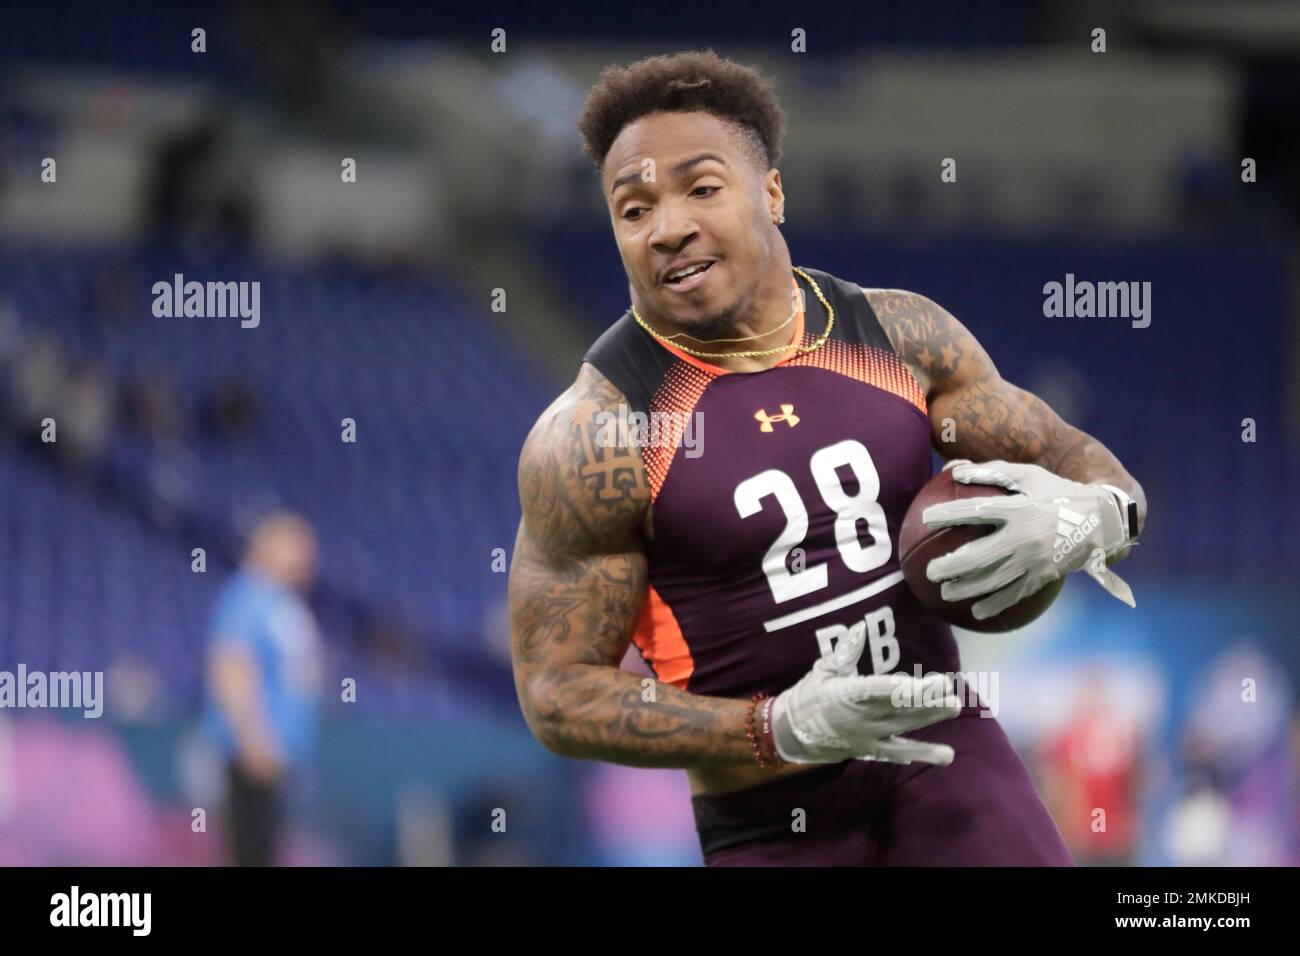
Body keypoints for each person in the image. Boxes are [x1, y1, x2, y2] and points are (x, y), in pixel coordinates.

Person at [508, 50, 1146, 865]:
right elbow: (556, 694)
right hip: (772, 812)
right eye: (633, 210)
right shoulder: (597, 432)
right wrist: (773, 726)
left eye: (702, 188)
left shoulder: (899, 336)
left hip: (943, 747)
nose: (667, 227)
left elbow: (1066, 454)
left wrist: (1097, 515)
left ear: (772, 191)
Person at [204, 511, 323, 866]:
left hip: (279, 755)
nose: (306, 556)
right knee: (250, 852)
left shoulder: (282, 602)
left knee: (267, 852)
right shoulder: (247, 597)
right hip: (252, 754)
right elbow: (231, 666)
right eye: (296, 545)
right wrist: (251, 736)